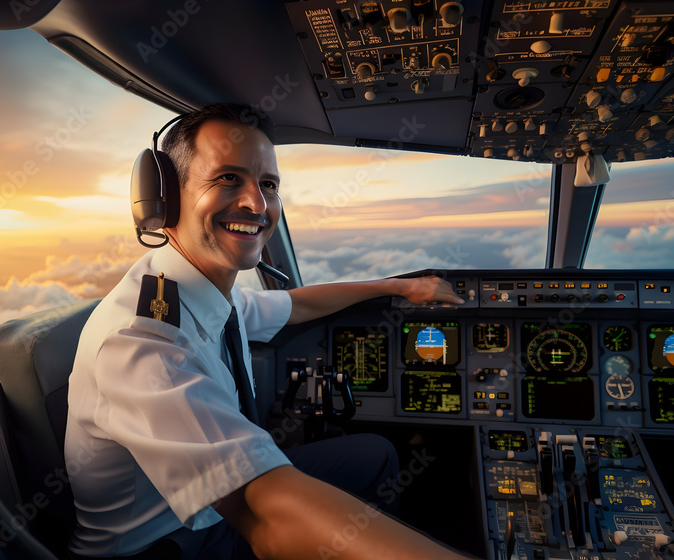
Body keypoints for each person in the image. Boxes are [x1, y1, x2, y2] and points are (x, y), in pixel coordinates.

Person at [64, 103, 473, 560]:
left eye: (268, 184)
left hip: (203, 515)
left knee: (375, 456)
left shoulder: (201, 290)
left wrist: (399, 286)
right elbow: (263, 516)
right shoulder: (142, 343)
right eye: (228, 179)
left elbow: (295, 305)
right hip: (168, 546)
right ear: (167, 198)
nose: (256, 204)